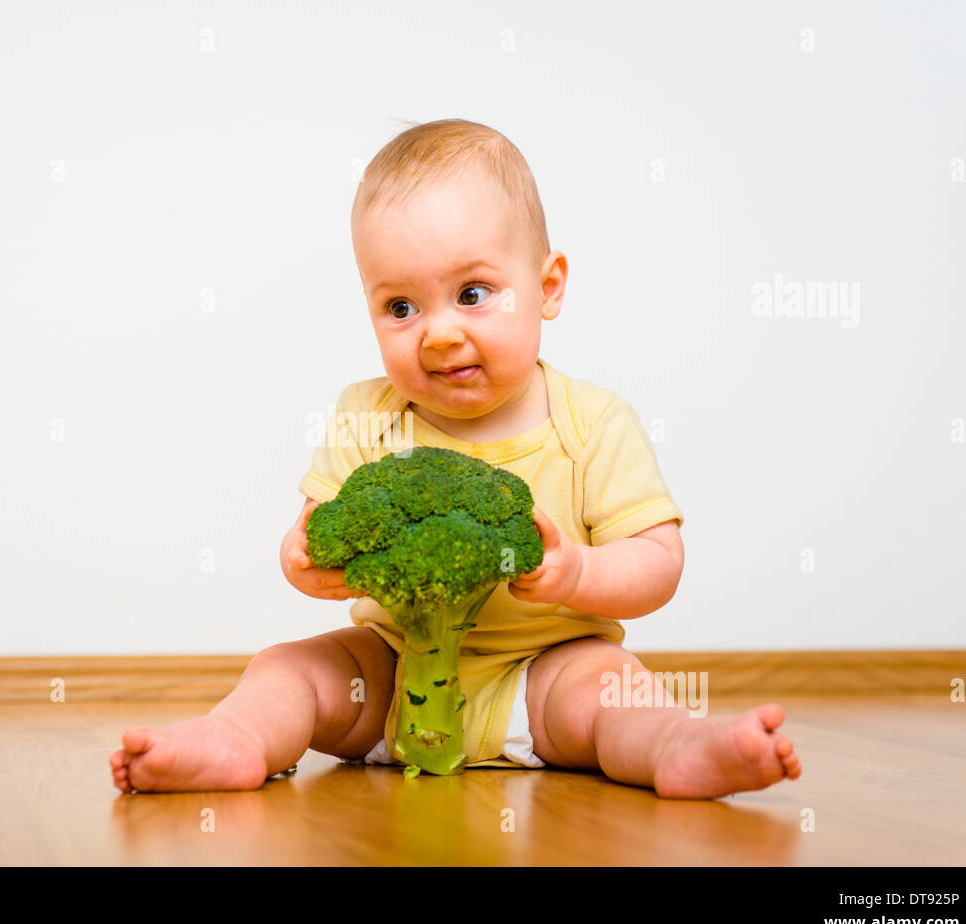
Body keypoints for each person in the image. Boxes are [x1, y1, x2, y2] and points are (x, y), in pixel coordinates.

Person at [110, 119, 801, 798]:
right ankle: (235, 739)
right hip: (386, 675)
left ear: (548, 287)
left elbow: (658, 562)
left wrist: (578, 571)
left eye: (472, 294)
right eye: (401, 305)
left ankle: (678, 746)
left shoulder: (593, 421)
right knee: (287, 668)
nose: (439, 334)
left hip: (545, 681)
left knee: (616, 686)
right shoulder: (365, 412)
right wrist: (306, 559)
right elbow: (320, 527)